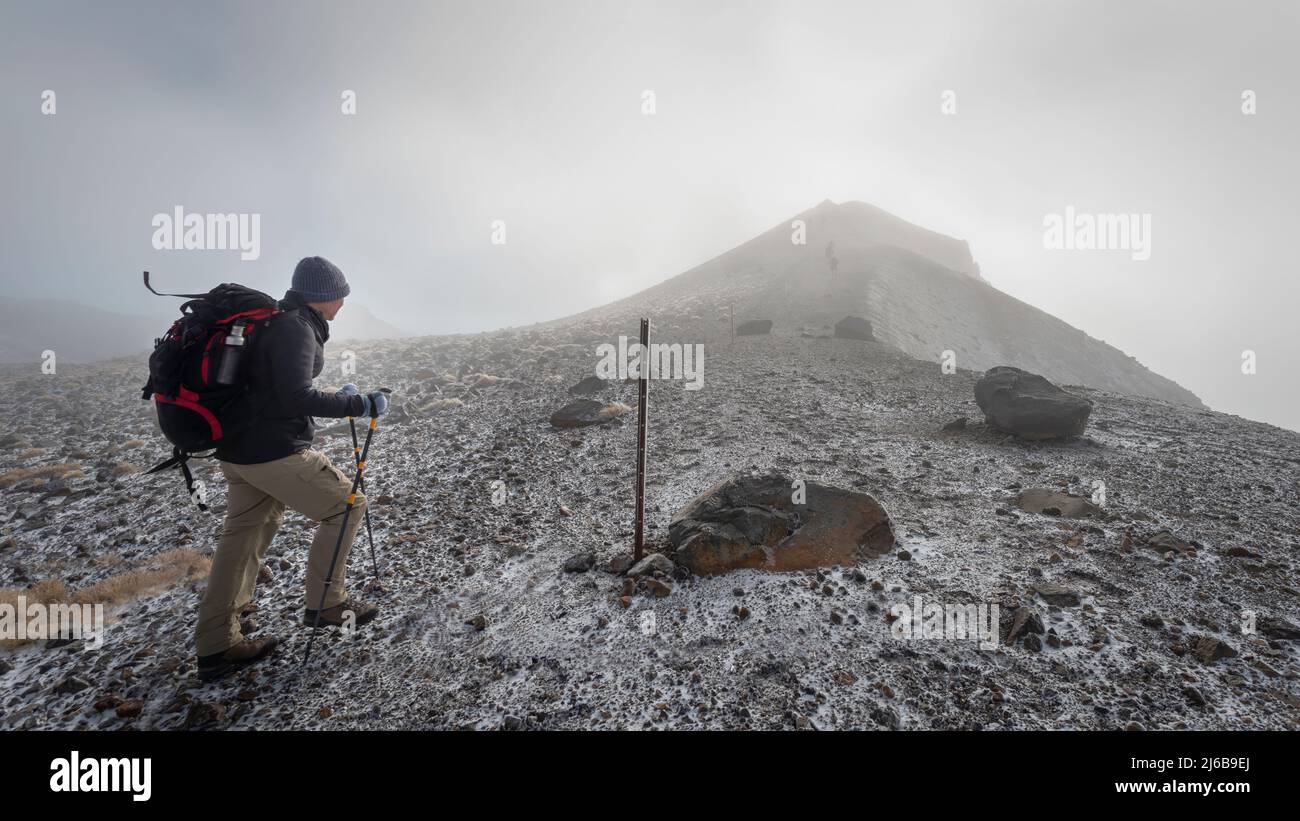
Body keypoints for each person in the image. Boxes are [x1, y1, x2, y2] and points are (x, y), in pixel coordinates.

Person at [194, 256, 389, 681]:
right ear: (325, 296)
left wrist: (338, 396)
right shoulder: (296, 327)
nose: (343, 303)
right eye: (342, 295)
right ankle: (327, 603)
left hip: (238, 453)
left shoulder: (276, 320)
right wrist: (357, 404)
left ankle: (216, 643)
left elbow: (275, 388)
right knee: (347, 506)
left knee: (242, 537)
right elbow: (294, 397)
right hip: (273, 453)